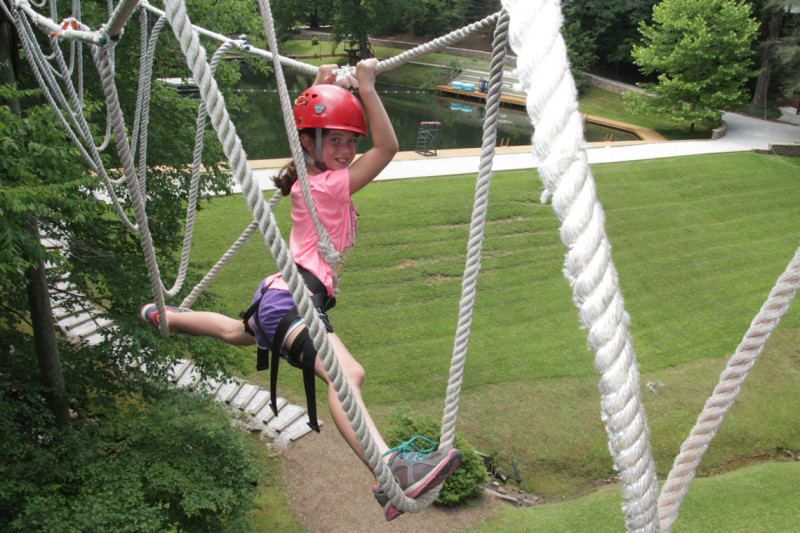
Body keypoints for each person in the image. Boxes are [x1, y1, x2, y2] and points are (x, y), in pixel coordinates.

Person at [139, 59, 461, 521]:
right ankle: (392, 470)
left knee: (235, 331)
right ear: (310, 143)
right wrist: (367, 87)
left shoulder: (308, 178)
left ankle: (166, 317)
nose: (347, 150)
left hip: (279, 297)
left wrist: (317, 87)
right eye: (337, 140)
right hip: (292, 298)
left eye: (351, 141)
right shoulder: (326, 187)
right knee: (348, 376)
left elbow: (303, 136)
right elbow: (388, 147)